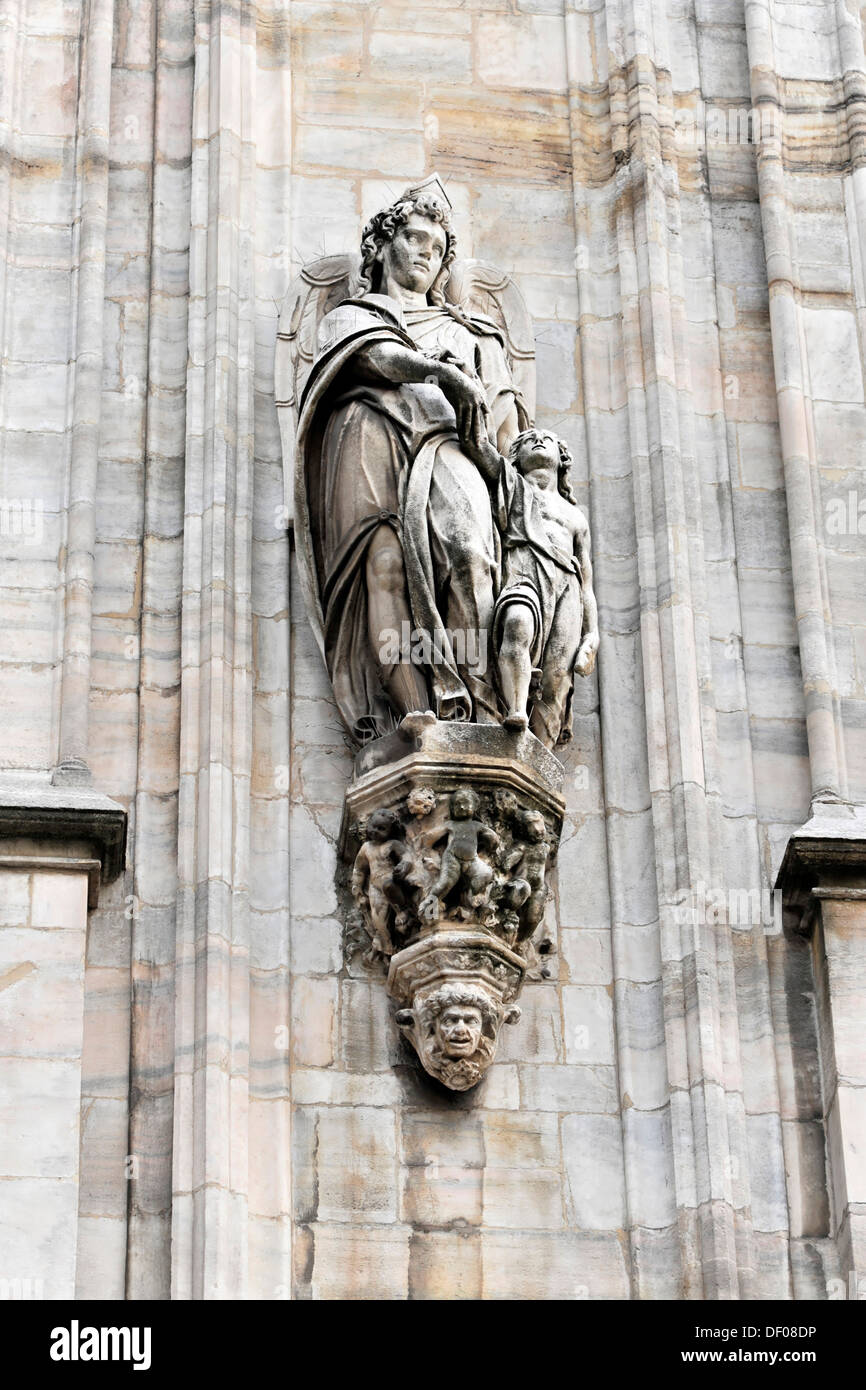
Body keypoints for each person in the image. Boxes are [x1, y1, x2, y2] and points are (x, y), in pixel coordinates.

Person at [294, 177, 529, 741]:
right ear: (381, 247)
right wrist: (438, 371)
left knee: (471, 555)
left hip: (449, 448)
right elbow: (374, 357)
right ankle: (413, 710)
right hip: (369, 444)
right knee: (384, 570)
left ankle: (477, 703)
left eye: (438, 247)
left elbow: (503, 430)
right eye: (415, 238)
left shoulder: (470, 333)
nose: (427, 252)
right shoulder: (351, 316)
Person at [468, 426, 599, 747]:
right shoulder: (511, 487)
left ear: (561, 459)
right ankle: (514, 711)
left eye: (548, 440)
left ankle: (541, 752)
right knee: (515, 624)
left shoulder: (575, 517)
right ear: (517, 457)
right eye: (528, 440)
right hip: (523, 574)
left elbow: (586, 582)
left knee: (556, 678)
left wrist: (592, 634)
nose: (539, 441)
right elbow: (479, 446)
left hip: (566, 588)